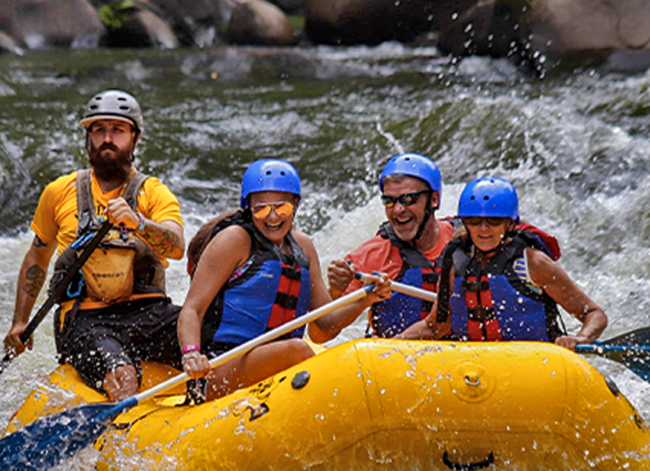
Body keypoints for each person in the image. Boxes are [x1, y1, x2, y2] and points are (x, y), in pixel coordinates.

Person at [3, 89, 185, 401]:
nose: (107, 139)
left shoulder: (154, 193)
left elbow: (176, 246)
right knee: (123, 377)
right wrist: (20, 321)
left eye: (118, 130)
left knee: (212, 331)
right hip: (85, 321)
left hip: (149, 314)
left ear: (135, 138)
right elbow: (37, 255)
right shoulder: (59, 191)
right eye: (98, 130)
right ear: (88, 138)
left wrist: (139, 223)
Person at [178, 158, 391, 400]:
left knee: (308, 350)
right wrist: (191, 355)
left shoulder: (303, 246)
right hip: (220, 368)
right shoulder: (235, 240)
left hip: (278, 367)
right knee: (298, 349)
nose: (272, 217)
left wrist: (365, 299)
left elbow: (324, 327)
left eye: (282, 208)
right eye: (260, 208)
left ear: (295, 204)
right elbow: (192, 309)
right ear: (247, 207)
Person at [327, 152, 561, 338]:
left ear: (434, 199)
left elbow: (537, 251)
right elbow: (321, 333)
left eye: (409, 199)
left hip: (473, 361)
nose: (398, 210)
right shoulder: (371, 256)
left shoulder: (476, 237)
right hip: (401, 361)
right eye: (389, 201)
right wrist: (356, 297)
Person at [399, 175, 606, 349]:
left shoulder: (533, 263)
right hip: (476, 367)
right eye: (474, 221)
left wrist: (580, 339)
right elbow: (435, 327)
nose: (483, 229)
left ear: (509, 223)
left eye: (494, 221)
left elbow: (594, 314)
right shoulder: (454, 263)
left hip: (534, 363)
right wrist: (392, 346)